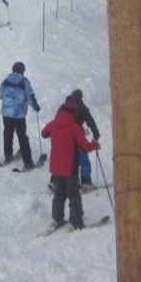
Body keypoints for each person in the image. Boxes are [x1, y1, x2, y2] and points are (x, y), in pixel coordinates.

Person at [42, 96, 100, 230]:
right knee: (74, 195)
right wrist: (95, 145)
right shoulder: (75, 128)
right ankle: (76, 222)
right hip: (70, 168)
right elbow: (85, 147)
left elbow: (44, 133)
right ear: (75, 112)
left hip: (56, 168)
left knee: (58, 195)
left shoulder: (54, 124)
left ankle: (57, 219)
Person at [0, 61, 41, 169]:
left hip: (6, 114)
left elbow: (0, 94)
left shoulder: (6, 80)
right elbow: (30, 96)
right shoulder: (24, 82)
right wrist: (35, 106)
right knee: (22, 136)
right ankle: (28, 162)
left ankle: (8, 155)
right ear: (23, 71)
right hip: (18, 115)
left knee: (8, 134)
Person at [65, 89, 103, 191]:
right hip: (77, 135)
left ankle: (56, 181)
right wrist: (96, 135)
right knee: (83, 158)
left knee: (65, 158)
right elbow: (90, 121)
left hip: (64, 136)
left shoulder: (64, 106)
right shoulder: (82, 107)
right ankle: (86, 181)